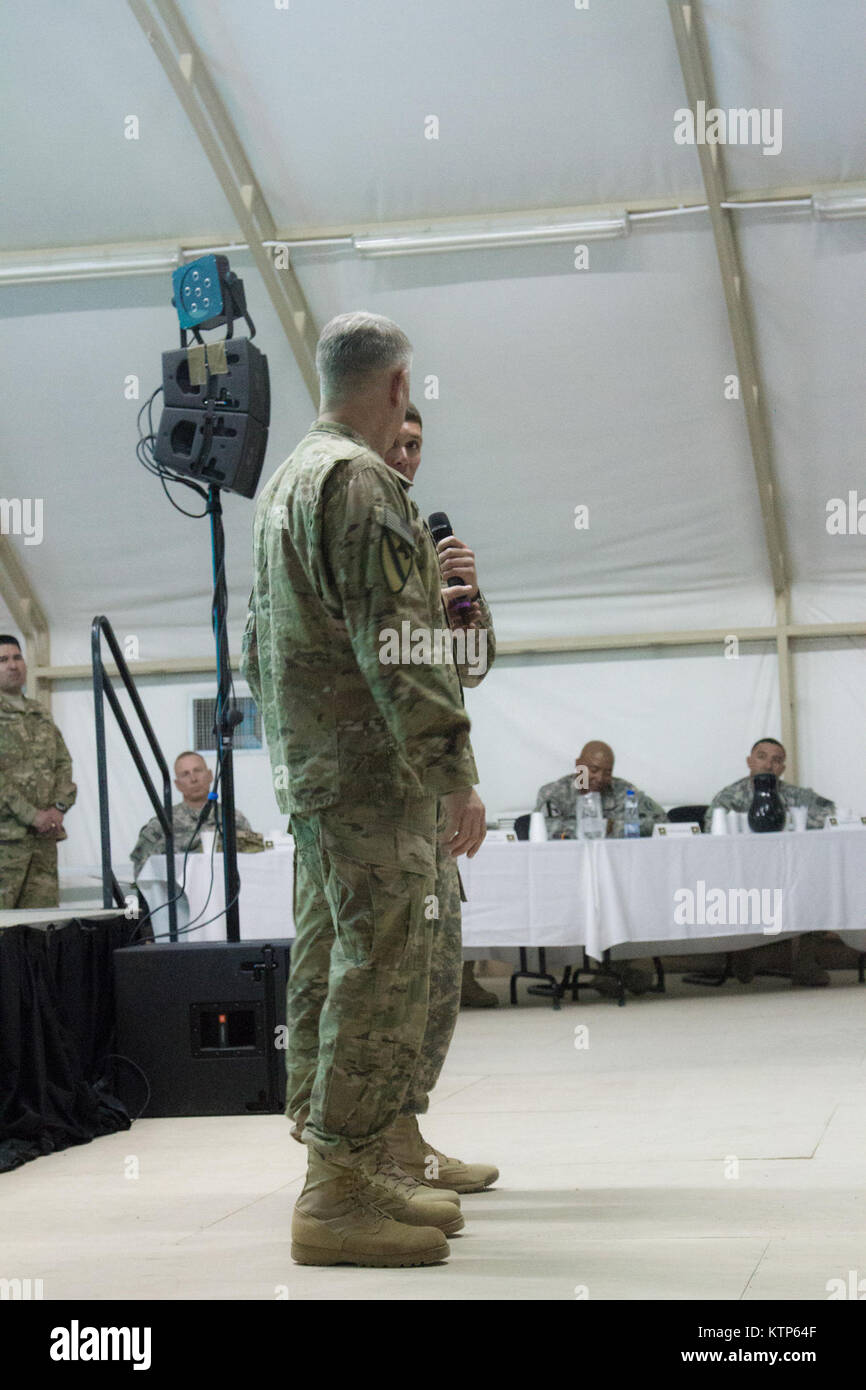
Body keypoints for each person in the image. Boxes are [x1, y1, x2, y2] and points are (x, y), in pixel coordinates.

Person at [241, 311, 487, 1268]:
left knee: (345, 961)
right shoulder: (359, 480)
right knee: (379, 972)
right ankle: (336, 1193)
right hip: (371, 776)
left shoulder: (285, 485)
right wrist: (452, 772)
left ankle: (357, 1168)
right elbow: (404, 650)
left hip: (321, 771)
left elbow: (263, 649)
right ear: (394, 386)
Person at [386, 404, 499, 1012]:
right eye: (397, 443)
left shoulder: (431, 542)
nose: (406, 458)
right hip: (382, 789)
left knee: (435, 978)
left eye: (416, 446)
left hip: (436, 789)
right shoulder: (367, 540)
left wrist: (468, 599)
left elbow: (472, 669)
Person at [534, 740, 667, 994]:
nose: (600, 777)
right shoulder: (553, 792)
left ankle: (616, 966)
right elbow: (547, 830)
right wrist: (602, 827)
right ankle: (610, 969)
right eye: (593, 770)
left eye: (607, 772)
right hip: (568, 878)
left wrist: (609, 827)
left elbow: (659, 820)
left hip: (616, 876)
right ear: (578, 766)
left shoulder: (624, 790)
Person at [704, 737, 835, 986]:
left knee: (819, 884)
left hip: (790, 870)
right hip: (744, 871)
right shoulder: (731, 795)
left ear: (782, 768)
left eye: (776, 760)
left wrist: (792, 819)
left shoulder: (794, 794)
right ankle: (744, 953)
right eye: (762, 757)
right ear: (749, 762)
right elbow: (712, 827)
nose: (768, 765)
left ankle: (804, 963)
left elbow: (831, 814)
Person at [0, 634, 76, 911]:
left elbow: (63, 763)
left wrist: (58, 808)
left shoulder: (39, 712)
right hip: (6, 843)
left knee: (42, 927)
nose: (12, 665)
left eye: (17, 657)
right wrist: (32, 815)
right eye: (3, 660)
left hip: (43, 842)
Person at [129, 750, 259, 880]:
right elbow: (142, 873)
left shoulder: (232, 818)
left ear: (210, 776)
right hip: (178, 897)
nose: (193, 779)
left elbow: (252, 860)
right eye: (185, 774)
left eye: (198, 770)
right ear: (177, 784)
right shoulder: (162, 823)